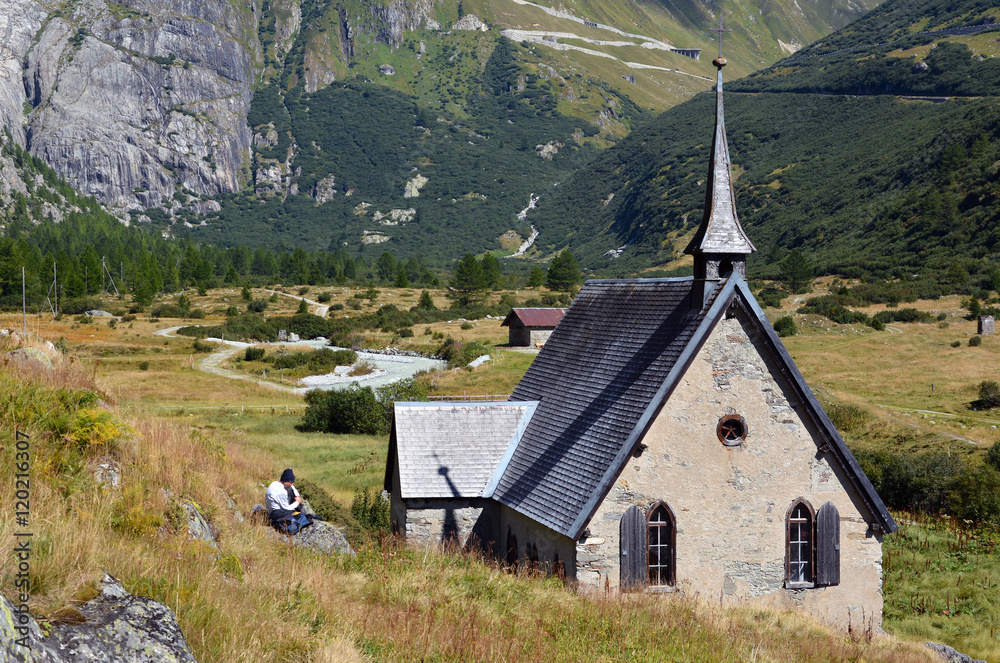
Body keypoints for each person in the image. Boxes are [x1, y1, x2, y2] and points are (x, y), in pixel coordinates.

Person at [265, 468, 312, 534]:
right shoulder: (281, 492)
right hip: (276, 514)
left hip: (271, 510)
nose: (292, 484)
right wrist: (297, 502)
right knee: (299, 513)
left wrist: (297, 496)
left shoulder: (274, 484)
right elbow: (286, 508)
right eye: (291, 482)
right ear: (286, 481)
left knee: (290, 491)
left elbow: (292, 487)